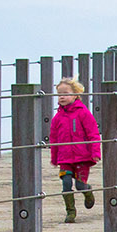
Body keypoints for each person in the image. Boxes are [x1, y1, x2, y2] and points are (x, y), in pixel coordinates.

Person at [48, 79, 101, 222]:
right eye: (59, 94)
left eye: (66, 94)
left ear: (76, 95)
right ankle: (70, 212)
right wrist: (54, 158)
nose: (62, 97)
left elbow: (93, 133)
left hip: (82, 157)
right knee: (66, 183)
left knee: (79, 185)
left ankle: (87, 192)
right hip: (65, 158)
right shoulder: (57, 118)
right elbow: (54, 140)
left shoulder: (83, 113)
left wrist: (95, 152)